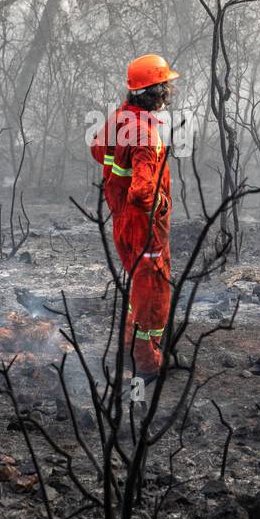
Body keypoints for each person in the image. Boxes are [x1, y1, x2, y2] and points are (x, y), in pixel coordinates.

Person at [89, 54, 178, 381]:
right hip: (144, 228)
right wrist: (163, 207)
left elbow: (97, 149)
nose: (169, 90)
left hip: (122, 224)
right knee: (153, 291)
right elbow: (143, 193)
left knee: (138, 289)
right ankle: (147, 363)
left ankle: (128, 349)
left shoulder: (120, 118)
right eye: (166, 85)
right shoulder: (145, 133)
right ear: (156, 90)